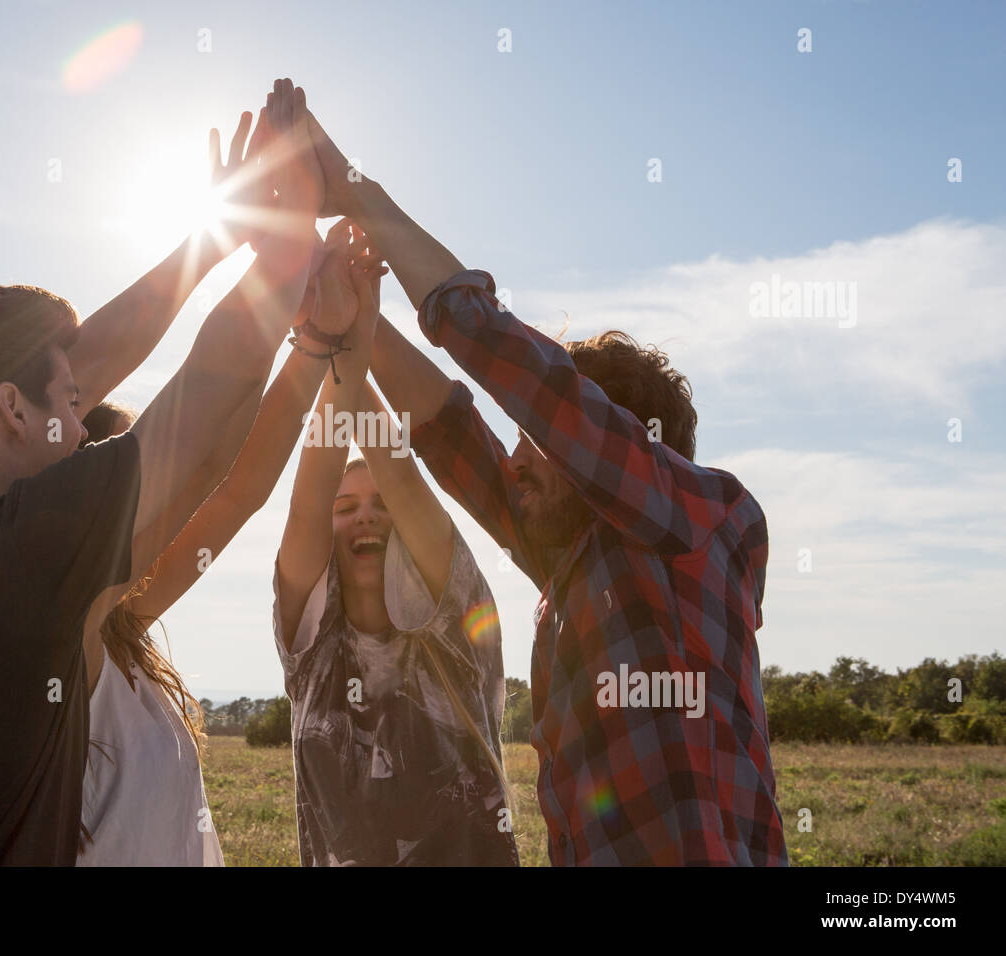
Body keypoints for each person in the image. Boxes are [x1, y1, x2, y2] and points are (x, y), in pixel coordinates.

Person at [0, 79, 324, 865]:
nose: (86, 424)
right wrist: (290, 235)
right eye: (73, 405)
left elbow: (77, 363)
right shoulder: (18, 558)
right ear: (13, 411)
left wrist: (213, 241)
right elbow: (212, 390)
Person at [300, 108, 786, 865]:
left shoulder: (705, 519)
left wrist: (355, 190)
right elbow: (449, 430)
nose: (516, 460)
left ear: (616, 438)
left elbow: (510, 364)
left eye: (537, 439)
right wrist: (346, 327)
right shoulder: (577, 565)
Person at [72, 225, 355, 866]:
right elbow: (218, 474)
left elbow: (234, 488)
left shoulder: (123, 627)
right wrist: (283, 280)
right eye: (150, 494)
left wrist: (313, 341)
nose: (173, 510)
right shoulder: (65, 639)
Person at [272, 223, 519, 867]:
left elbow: (401, 471)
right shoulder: (312, 650)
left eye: (378, 506)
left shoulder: (454, 628)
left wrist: (355, 329)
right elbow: (306, 501)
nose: (364, 519)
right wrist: (336, 340)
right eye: (346, 508)